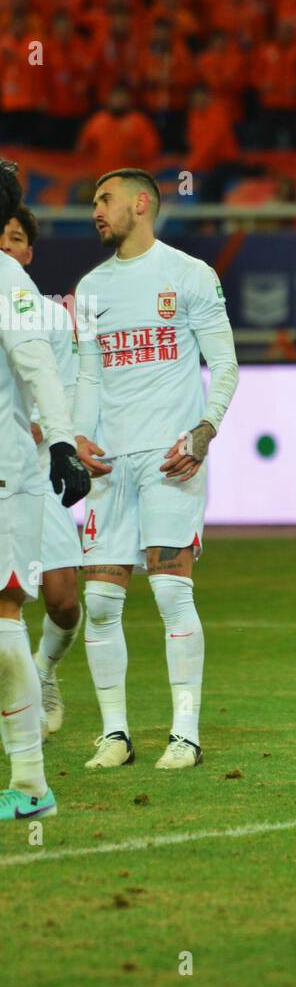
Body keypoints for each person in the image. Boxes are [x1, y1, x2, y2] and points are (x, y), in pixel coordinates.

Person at [72, 169, 240, 770]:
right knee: (99, 604)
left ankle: (185, 734)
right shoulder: (90, 288)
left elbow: (224, 364)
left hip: (172, 459)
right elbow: (91, 375)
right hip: (110, 467)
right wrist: (79, 436)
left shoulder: (190, 274)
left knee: (171, 591)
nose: (96, 210)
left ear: (140, 204)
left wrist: (204, 430)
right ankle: (114, 734)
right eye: (94, 201)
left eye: (104, 199)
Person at [0, 159, 90, 821]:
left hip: (5, 477)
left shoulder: (7, 278)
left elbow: (36, 365)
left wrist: (61, 439)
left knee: (5, 626)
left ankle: (31, 782)